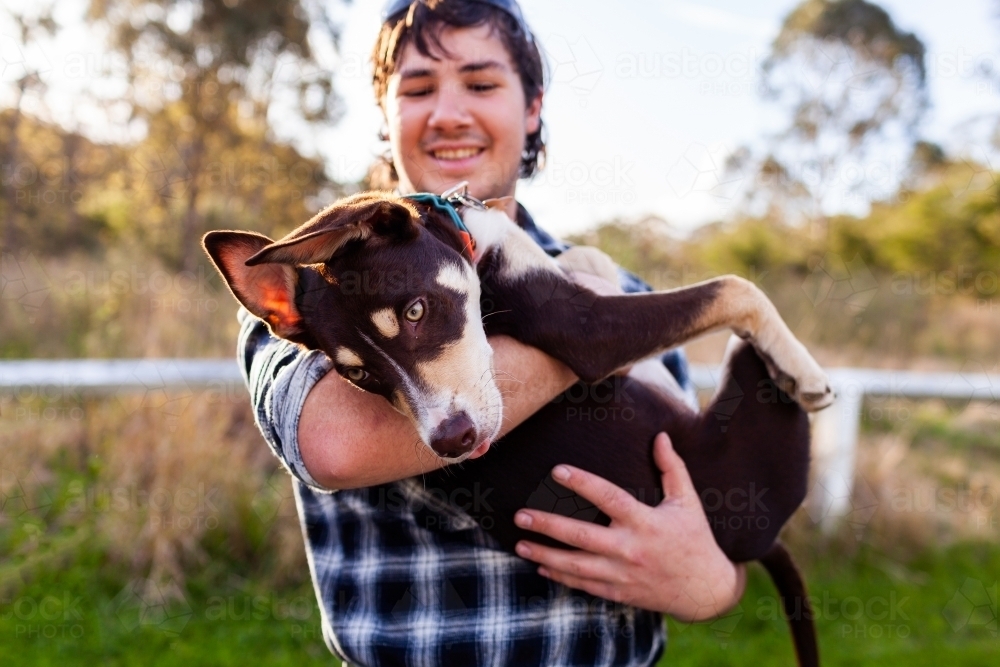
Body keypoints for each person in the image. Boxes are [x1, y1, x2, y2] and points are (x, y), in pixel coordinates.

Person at [237, 1, 745, 664]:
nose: (449, 113)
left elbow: (710, 508)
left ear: (532, 107)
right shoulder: (308, 287)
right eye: (417, 89)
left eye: (481, 83)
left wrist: (709, 586)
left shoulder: (630, 292)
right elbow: (333, 442)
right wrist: (588, 332)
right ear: (385, 119)